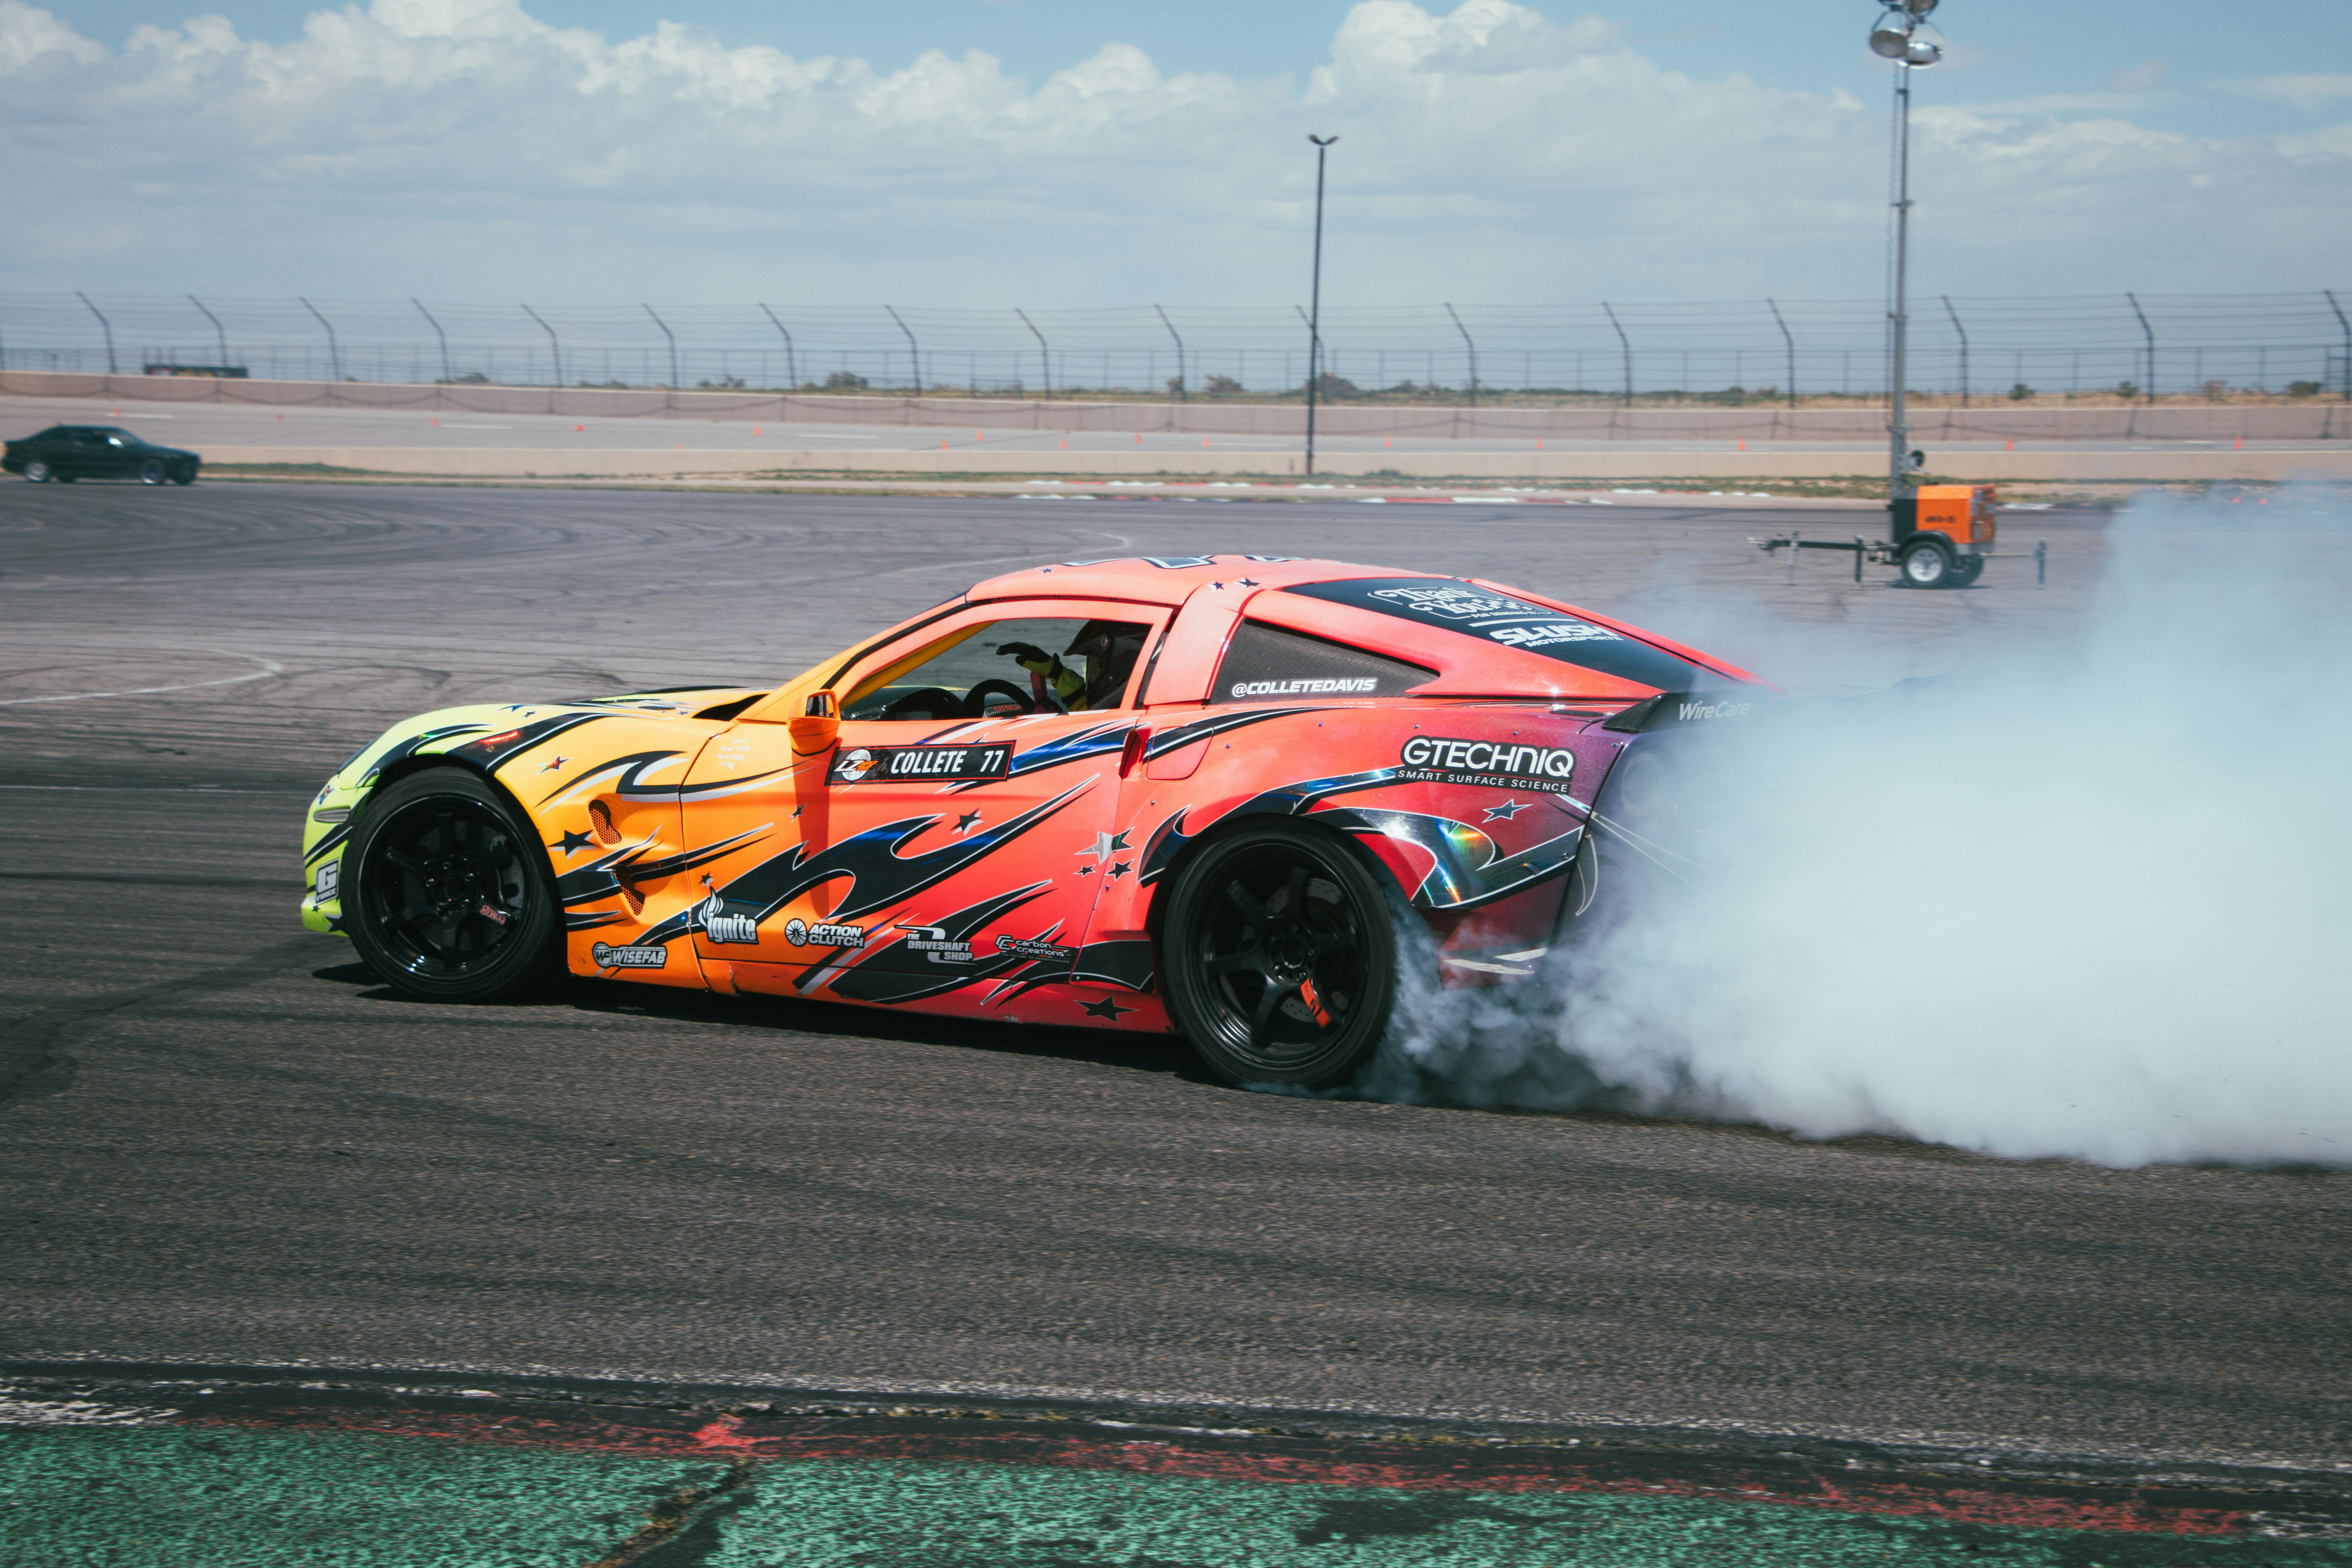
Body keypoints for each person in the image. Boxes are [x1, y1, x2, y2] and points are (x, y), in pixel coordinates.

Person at [996, 621, 1147, 712]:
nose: (1093, 673)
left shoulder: (1122, 723)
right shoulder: (1128, 710)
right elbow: (1088, 711)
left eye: (1097, 666)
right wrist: (1057, 674)